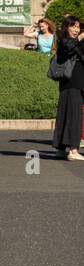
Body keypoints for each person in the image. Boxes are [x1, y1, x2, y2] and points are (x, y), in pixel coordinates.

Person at [50, 16, 84, 161]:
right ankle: (73, 150)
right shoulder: (63, 39)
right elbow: (70, 49)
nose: (76, 30)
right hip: (72, 82)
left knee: (66, 113)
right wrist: (81, 38)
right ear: (66, 27)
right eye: (73, 26)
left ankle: (61, 149)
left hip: (72, 82)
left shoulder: (72, 40)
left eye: (78, 27)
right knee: (72, 115)